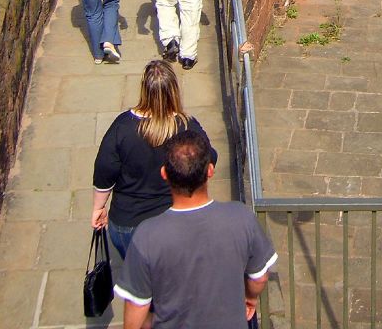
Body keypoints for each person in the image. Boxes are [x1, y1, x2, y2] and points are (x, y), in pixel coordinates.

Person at [114, 129, 276, 329]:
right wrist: (250, 298)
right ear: (210, 170)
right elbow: (259, 277)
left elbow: (135, 310)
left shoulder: (146, 236)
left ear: (164, 173)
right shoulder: (241, 218)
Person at [91, 60, 214, 260]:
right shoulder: (187, 127)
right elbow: (209, 158)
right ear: (174, 89)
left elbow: (104, 171)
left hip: (127, 222)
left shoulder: (122, 126)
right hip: (175, 220)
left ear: (144, 89)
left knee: (139, 277)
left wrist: (98, 208)